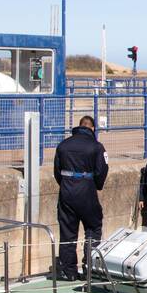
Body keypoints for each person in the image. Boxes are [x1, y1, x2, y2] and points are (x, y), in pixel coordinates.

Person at [53, 115, 108, 280]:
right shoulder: (96, 147)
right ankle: (89, 267)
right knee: (93, 228)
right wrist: (96, 185)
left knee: (67, 233)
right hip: (86, 191)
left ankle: (68, 271)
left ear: (79, 127)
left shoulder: (63, 146)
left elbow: (57, 171)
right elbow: (101, 171)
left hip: (66, 192)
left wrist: (65, 185)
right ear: (92, 129)